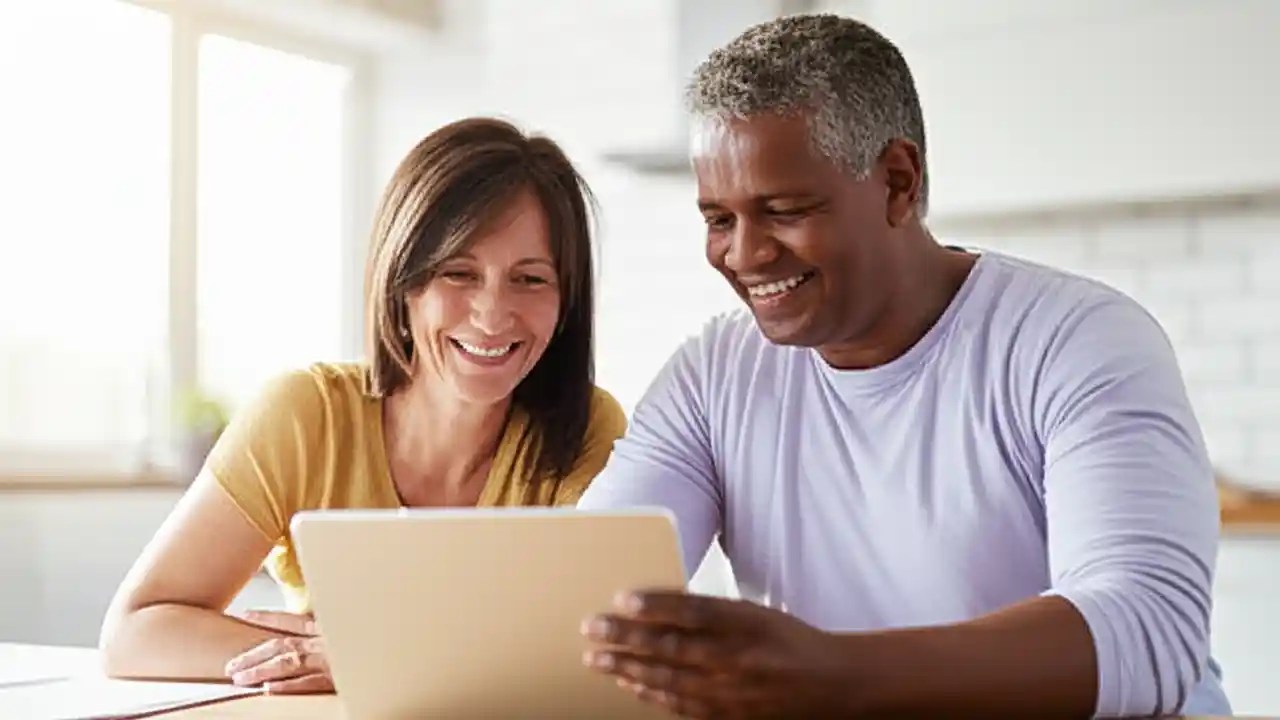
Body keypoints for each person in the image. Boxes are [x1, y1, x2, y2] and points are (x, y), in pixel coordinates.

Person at [577, 14, 1231, 719]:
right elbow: (580, 590)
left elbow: (1148, 634)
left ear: (897, 180)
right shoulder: (713, 377)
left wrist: (828, 673)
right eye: (718, 220)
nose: (744, 253)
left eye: (785, 210)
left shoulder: (1076, 340)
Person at [99, 117, 626, 694]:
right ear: (403, 283)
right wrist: (341, 656)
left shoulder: (587, 429)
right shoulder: (305, 415)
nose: (492, 314)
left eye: (529, 279)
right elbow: (136, 632)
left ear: (565, 301)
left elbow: (594, 652)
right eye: (458, 272)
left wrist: (378, 654)